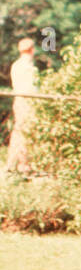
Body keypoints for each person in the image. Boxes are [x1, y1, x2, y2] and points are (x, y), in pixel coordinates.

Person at [6, 37, 38, 175]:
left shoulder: (16, 65)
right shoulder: (28, 67)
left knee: (21, 131)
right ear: (32, 50)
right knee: (24, 131)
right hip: (27, 102)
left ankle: (17, 163)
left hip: (20, 101)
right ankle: (20, 164)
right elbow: (31, 87)